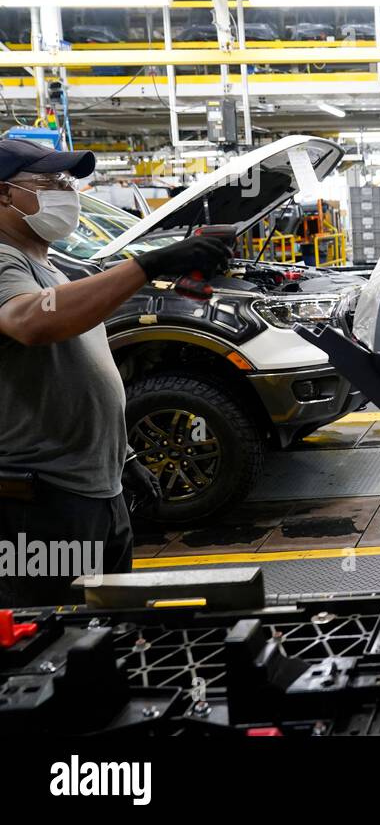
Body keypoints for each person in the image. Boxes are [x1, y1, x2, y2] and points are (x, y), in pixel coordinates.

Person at [0, 138, 232, 606]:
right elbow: (29, 321)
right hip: (37, 503)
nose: (68, 191)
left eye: (69, 182)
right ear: (4, 195)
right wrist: (148, 265)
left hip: (95, 490)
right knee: (53, 637)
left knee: (106, 627)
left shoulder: (49, 269)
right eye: (50, 182)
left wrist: (123, 456)